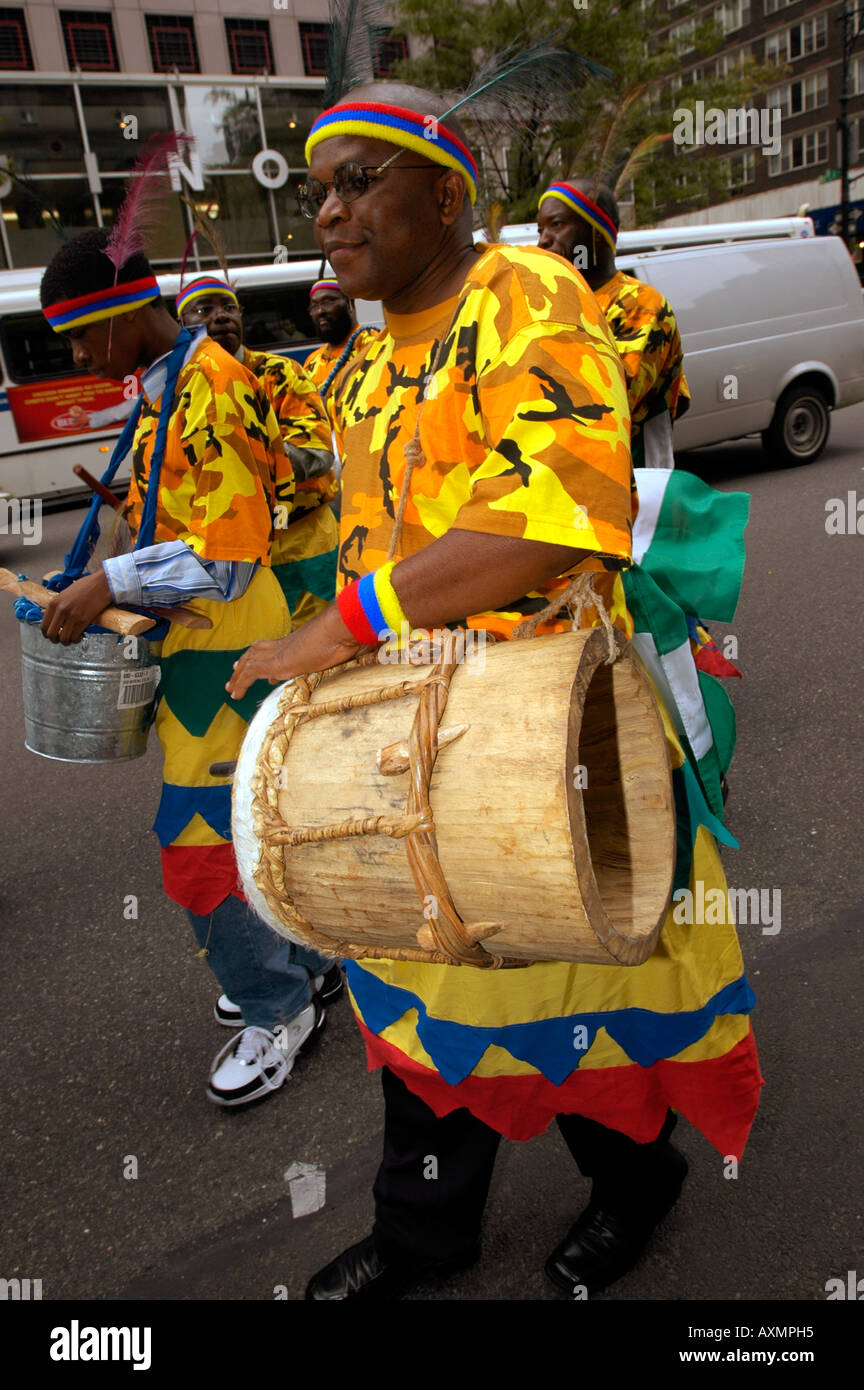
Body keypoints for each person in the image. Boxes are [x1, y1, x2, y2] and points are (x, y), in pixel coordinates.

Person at [227, 83, 762, 1301]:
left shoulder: (530, 301)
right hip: (408, 728)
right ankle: (425, 1237)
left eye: (361, 181)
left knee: (573, 997)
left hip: (541, 730)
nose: (330, 210)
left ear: (449, 194)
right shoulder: (365, 358)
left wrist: (341, 626)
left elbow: (551, 525)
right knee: (417, 997)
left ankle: (637, 1188)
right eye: (319, 189)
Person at [38, 230, 340, 1109]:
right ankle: (307, 966)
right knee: (255, 821)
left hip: (227, 649)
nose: (82, 358)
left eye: (84, 337)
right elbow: (179, 516)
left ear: (125, 312)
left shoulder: (211, 384)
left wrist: (109, 581)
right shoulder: (165, 385)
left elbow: (236, 554)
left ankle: (277, 1009)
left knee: (200, 850)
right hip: (198, 647)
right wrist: (105, 551)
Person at [176, 275, 339, 628]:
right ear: (181, 324)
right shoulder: (177, 389)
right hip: (229, 557)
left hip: (301, 543)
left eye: (229, 308)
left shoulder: (280, 373)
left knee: (318, 658)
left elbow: (318, 453)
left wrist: (249, 454)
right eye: (204, 310)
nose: (220, 317)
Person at [537, 179, 690, 469]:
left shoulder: (641, 304)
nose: (543, 240)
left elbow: (608, 404)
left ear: (596, 233)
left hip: (631, 487)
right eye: (540, 229)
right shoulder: (551, 304)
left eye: (556, 225)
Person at [303, 279, 378, 396]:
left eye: (328, 302)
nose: (320, 311)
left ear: (349, 304)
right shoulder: (312, 360)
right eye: (314, 306)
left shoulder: (370, 341)